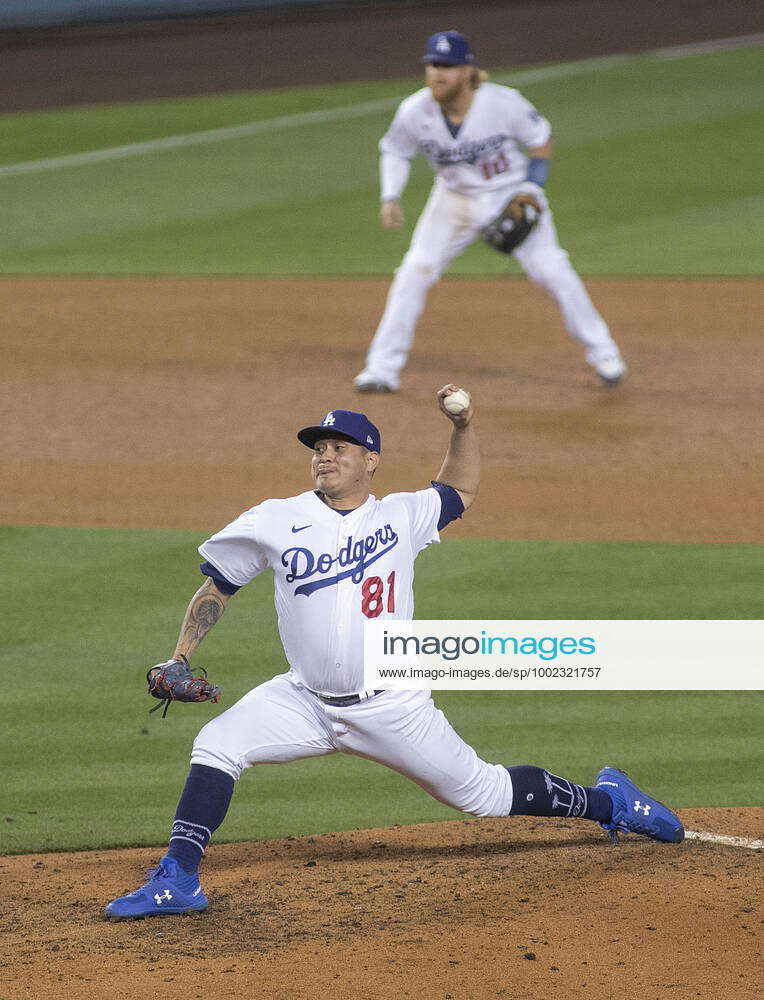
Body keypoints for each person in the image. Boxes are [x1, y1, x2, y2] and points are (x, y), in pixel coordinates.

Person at [105, 385, 681, 920]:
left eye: (339, 447)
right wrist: (179, 656)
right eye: (318, 448)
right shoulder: (275, 519)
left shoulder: (401, 515)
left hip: (392, 704)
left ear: (371, 460)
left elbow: (461, 489)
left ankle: (610, 802)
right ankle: (179, 877)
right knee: (217, 743)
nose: (324, 456)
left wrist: (464, 425)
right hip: (302, 698)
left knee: (483, 793)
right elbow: (218, 587)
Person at [354, 30, 627, 394]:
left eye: (448, 66)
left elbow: (540, 141)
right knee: (414, 271)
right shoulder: (414, 110)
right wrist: (390, 196)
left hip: (509, 194)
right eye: (433, 65)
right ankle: (381, 369)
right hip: (453, 200)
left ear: (468, 70)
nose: (438, 73)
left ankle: (605, 353)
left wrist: (531, 189)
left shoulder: (503, 103)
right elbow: (396, 150)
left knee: (552, 269)